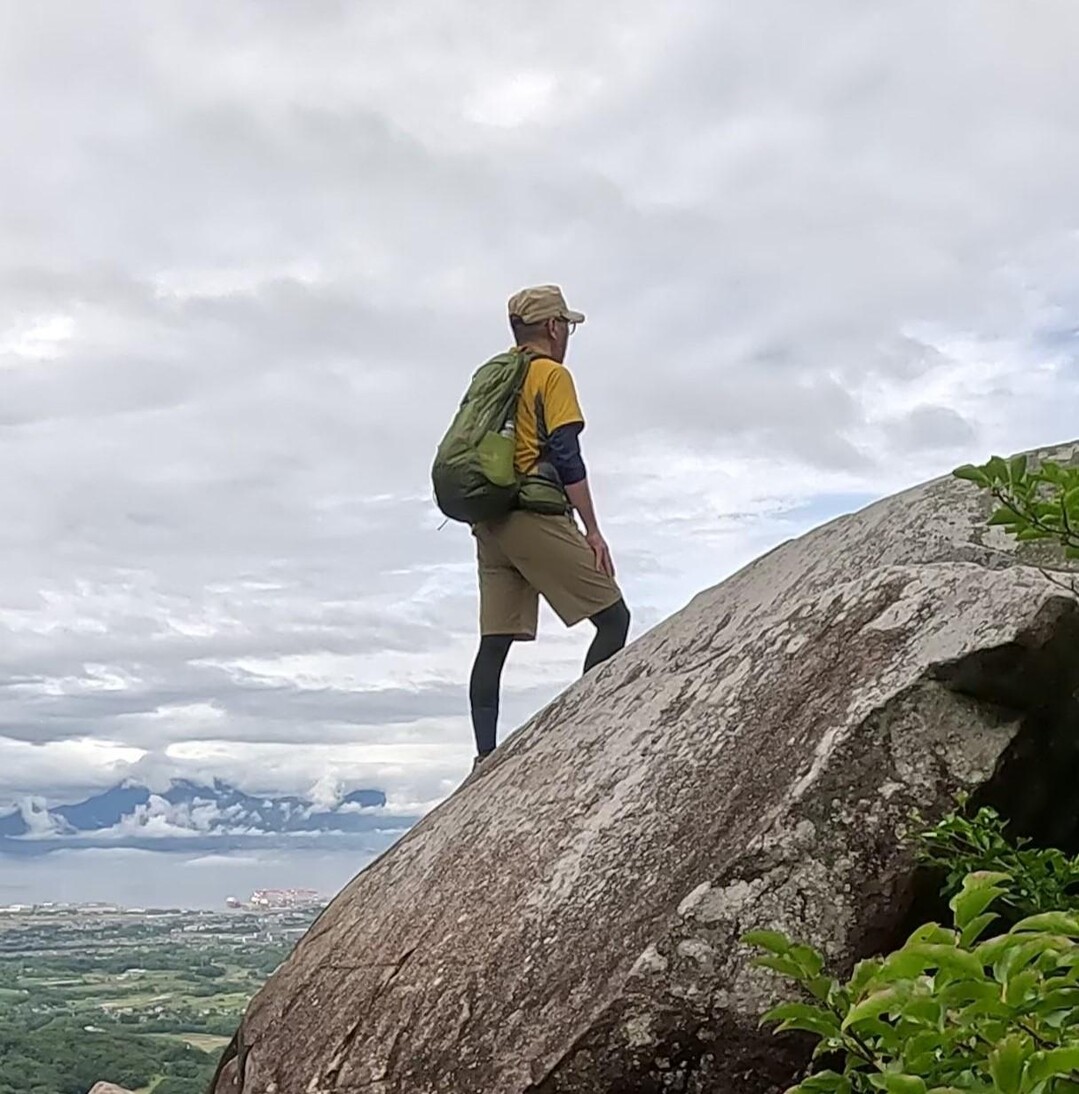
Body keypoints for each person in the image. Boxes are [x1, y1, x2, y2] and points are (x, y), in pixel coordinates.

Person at [469, 285, 631, 769]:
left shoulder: (493, 378)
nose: (568, 335)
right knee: (613, 618)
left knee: (494, 642)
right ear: (554, 327)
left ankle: (483, 757)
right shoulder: (550, 376)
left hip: (488, 520)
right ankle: (587, 729)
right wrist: (593, 530)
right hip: (532, 513)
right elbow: (566, 454)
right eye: (568, 326)